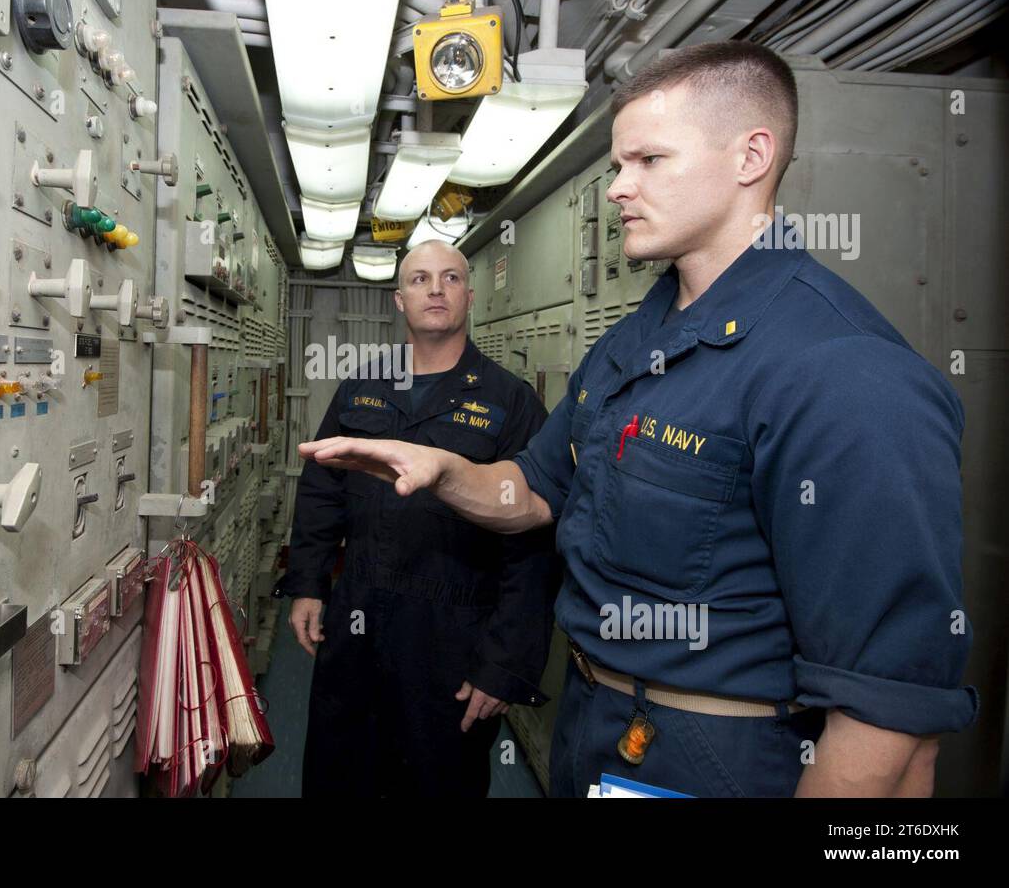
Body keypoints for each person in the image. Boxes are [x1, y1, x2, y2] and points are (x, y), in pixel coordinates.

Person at [299, 41, 977, 797]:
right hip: (600, 731)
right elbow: (530, 492)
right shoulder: (632, 344)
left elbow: (887, 721)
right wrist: (446, 470)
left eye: (648, 161)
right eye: (618, 165)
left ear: (752, 156)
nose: (618, 188)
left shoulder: (843, 371)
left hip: (722, 755)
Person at [275, 239, 558, 797]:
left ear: (470, 297)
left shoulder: (511, 401)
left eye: (451, 278)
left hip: (453, 633)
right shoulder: (362, 388)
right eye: (420, 279)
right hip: (358, 619)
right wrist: (308, 583)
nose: (435, 289)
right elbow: (322, 489)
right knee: (340, 773)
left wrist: (505, 664)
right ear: (399, 300)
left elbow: (534, 543)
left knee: (438, 781)